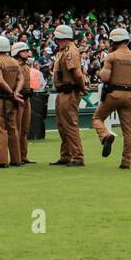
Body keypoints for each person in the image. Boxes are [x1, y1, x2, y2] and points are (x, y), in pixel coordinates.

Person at [92, 27, 131, 170]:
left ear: (112, 42)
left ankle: (105, 136)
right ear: (127, 41)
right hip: (128, 96)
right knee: (128, 129)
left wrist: (99, 71)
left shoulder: (111, 57)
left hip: (112, 94)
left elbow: (105, 77)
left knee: (97, 118)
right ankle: (126, 161)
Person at [50, 24, 87, 167]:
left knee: (70, 125)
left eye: (58, 39)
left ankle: (77, 156)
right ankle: (66, 155)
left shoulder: (70, 51)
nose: (56, 41)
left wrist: (82, 88)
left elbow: (77, 74)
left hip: (69, 92)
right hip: (63, 92)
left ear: (63, 38)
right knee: (62, 125)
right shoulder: (63, 51)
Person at [0, 35, 24, 169]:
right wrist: (15, 92)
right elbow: (20, 79)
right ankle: (16, 159)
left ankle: (1, 161)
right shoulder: (14, 62)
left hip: (0, 99)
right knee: (12, 129)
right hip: (12, 100)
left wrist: (10, 93)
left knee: (0, 130)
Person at [11, 41, 35, 165]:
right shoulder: (14, 65)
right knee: (17, 128)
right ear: (17, 52)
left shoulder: (26, 66)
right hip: (18, 99)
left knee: (24, 129)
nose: (27, 53)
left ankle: (23, 156)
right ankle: (17, 156)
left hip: (26, 99)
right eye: (24, 51)